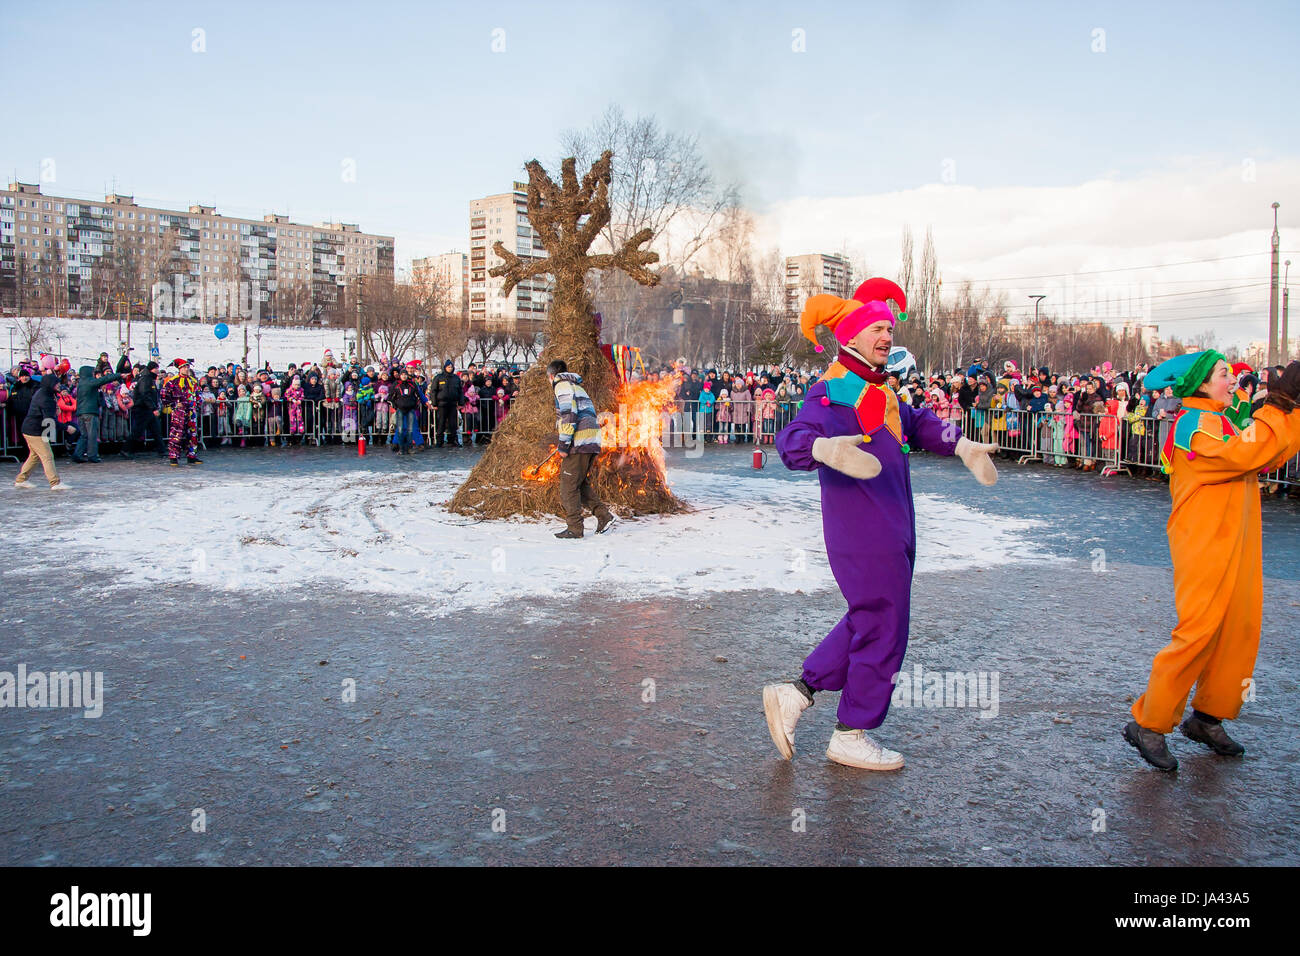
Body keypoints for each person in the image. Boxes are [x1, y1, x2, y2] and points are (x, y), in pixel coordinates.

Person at [762, 279, 999, 771]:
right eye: (876, 327)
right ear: (850, 335)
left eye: (889, 328)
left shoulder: (880, 388)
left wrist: (961, 445)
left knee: (870, 619)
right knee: (885, 626)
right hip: (862, 531)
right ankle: (851, 732)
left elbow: (919, 423)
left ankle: (797, 693)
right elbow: (792, 439)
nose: (886, 335)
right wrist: (822, 449)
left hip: (893, 526)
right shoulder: (832, 392)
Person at [1124, 354, 1300, 771]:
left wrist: (1288, 408)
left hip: (1236, 540)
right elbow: (1246, 453)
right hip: (1203, 542)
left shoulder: (1222, 420)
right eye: (1224, 375)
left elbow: (1270, 452)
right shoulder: (1193, 424)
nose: (1232, 381)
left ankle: (1207, 717)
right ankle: (1148, 723)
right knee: (1198, 630)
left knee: (1238, 625)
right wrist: (1278, 403)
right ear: (1202, 386)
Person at [548, 359, 614, 539]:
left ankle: (575, 528)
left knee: (567, 487)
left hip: (580, 441)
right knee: (579, 483)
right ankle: (603, 516)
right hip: (591, 438)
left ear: (552, 375)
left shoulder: (561, 386)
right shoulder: (577, 386)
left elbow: (569, 415)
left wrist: (563, 444)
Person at [14, 365, 68, 490]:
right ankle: (55, 483)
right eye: (56, 384)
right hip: (35, 431)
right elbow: (49, 420)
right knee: (47, 456)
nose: (58, 385)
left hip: (30, 429)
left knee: (34, 456)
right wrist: (66, 428)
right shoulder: (45, 397)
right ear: (50, 384)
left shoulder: (44, 393)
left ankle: (21, 480)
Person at [71, 363, 122, 463]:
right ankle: (92, 455)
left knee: (84, 435)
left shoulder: (81, 383)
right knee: (92, 435)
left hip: (81, 412)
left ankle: (78, 454)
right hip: (90, 412)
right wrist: (118, 375)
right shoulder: (89, 381)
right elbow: (103, 380)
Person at [159, 358, 202, 465]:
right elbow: (164, 395)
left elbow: (198, 394)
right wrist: (173, 404)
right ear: (180, 369)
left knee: (192, 434)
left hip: (191, 411)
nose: (187, 369)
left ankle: (192, 455)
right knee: (176, 433)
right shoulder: (172, 381)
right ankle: (173, 456)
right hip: (179, 411)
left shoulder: (193, 380)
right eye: (184, 367)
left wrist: (198, 404)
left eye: (188, 367)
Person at [432, 359, 464, 447]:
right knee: (441, 423)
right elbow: (433, 391)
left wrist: (461, 403)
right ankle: (439, 441)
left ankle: (453, 440)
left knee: (453, 424)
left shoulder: (456, 378)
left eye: (451, 367)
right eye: (448, 367)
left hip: (453, 404)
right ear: (445, 367)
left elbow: (460, 391)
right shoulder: (438, 377)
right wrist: (434, 404)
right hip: (441, 404)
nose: (450, 368)